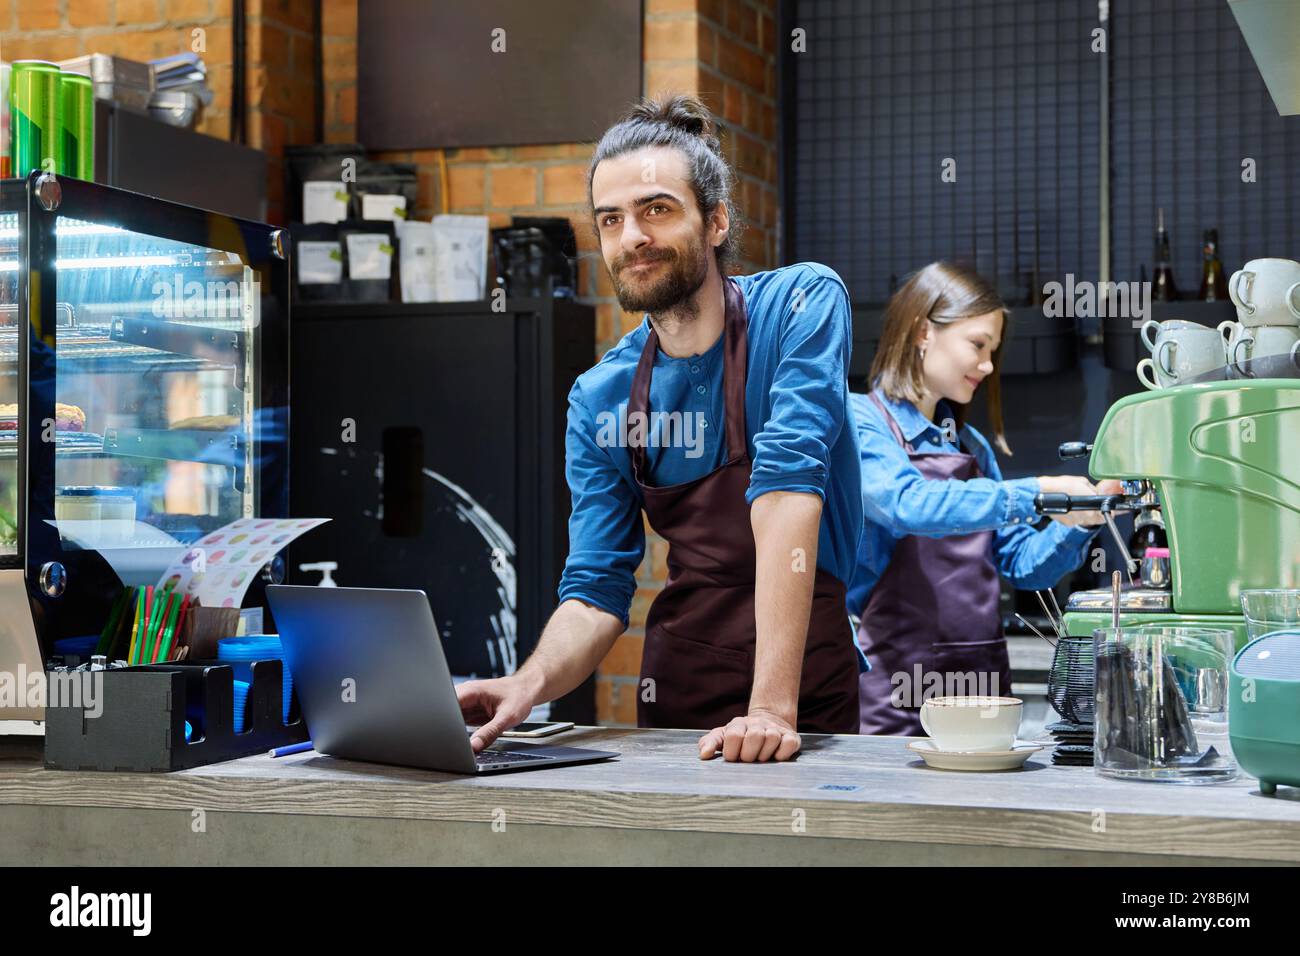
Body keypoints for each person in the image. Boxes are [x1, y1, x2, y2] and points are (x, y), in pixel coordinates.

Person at [456, 94, 866, 763]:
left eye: (656, 210)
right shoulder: (601, 397)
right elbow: (595, 588)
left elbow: (788, 493)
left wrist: (769, 708)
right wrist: (526, 685)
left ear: (715, 222)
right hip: (679, 694)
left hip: (801, 694)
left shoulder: (801, 305)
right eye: (611, 219)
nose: (632, 237)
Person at [849, 262, 1119, 735]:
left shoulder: (970, 446)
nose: (989, 366)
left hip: (981, 685)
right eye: (977, 345)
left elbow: (1022, 565)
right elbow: (908, 504)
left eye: (992, 351)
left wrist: (1078, 520)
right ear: (922, 332)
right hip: (892, 690)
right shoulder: (862, 422)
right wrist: (1038, 492)